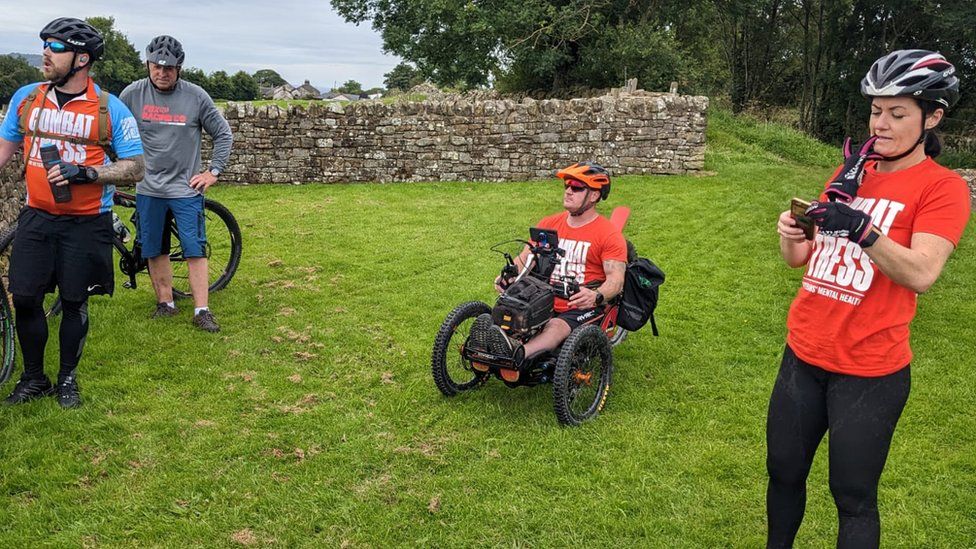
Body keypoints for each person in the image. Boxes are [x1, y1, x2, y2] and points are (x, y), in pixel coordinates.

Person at [768, 50, 970, 548]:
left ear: (933, 116)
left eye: (898, 113)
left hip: (870, 368)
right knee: (783, 472)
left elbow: (922, 272)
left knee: (853, 495)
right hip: (804, 352)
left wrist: (865, 230)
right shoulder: (852, 171)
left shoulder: (943, 188)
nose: (881, 123)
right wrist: (791, 233)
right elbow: (801, 259)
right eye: (877, 110)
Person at [0, 18, 145, 408]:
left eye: (56, 46)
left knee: (75, 300)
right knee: (26, 297)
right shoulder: (26, 98)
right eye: (45, 43)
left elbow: (135, 167)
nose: (46, 51)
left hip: (86, 221)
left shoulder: (108, 108)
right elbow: (3, 151)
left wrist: (89, 173)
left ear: (82, 59)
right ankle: (34, 378)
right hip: (37, 216)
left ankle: (67, 379)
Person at [120, 35, 233, 332]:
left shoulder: (195, 97)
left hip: (185, 189)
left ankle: (202, 310)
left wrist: (214, 171)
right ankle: (165, 303)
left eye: (169, 68)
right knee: (155, 249)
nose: (162, 72)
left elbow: (223, 134)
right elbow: (113, 132)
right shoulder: (132, 94)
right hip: (148, 188)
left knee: (195, 249)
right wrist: (121, 166)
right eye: (156, 66)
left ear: (179, 68)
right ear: (147, 64)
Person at [468, 161, 627, 362]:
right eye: (567, 185)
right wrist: (509, 275)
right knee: (510, 308)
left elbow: (616, 280)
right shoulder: (549, 224)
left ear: (594, 195)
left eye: (576, 187)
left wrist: (596, 296)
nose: (568, 191)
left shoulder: (608, 234)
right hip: (544, 294)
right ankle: (491, 340)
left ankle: (517, 354)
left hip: (579, 304)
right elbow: (525, 258)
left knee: (555, 326)